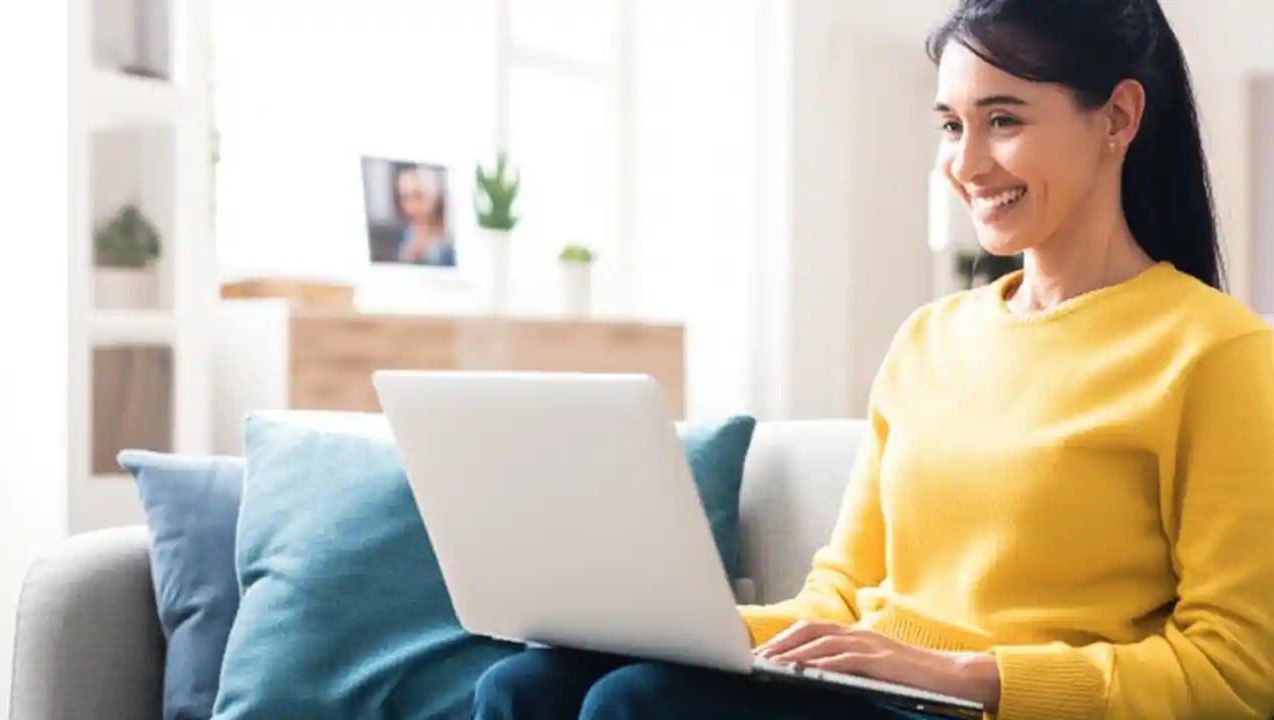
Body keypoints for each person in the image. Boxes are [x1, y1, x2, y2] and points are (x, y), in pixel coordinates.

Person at [473, 0, 1274, 717]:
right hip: (876, 694)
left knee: (638, 705)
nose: (966, 164)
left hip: (984, 707)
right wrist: (671, 630)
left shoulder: (1216, 353)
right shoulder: (928, 339)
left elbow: (1237, 671)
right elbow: (842, 593)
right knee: (527, 683)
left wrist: (969, 675)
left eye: (1003, 120)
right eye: (951, 126)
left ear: (1118, 117)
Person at [394, 164, 455, 266]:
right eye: (405, 197)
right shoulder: (405, 235)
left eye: (418, 196)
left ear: (432, 197)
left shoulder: (449, 236)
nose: (411, 205)